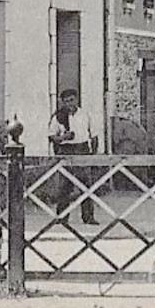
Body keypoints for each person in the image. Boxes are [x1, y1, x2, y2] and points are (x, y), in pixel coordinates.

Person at [48, 88, 98, 226]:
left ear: (76, 99)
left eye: (71, 100)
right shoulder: (58, 117)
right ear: (62, 103)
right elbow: (52, 137)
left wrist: (92, 155)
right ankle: (62, 217)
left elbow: (93, 135)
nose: (69, 104)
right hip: (66, 151)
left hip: (82, 149)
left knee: (86, 185)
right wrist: (64, 137)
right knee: (65, 186)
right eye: (66, 102)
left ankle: (88, 217)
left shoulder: (85, 114)